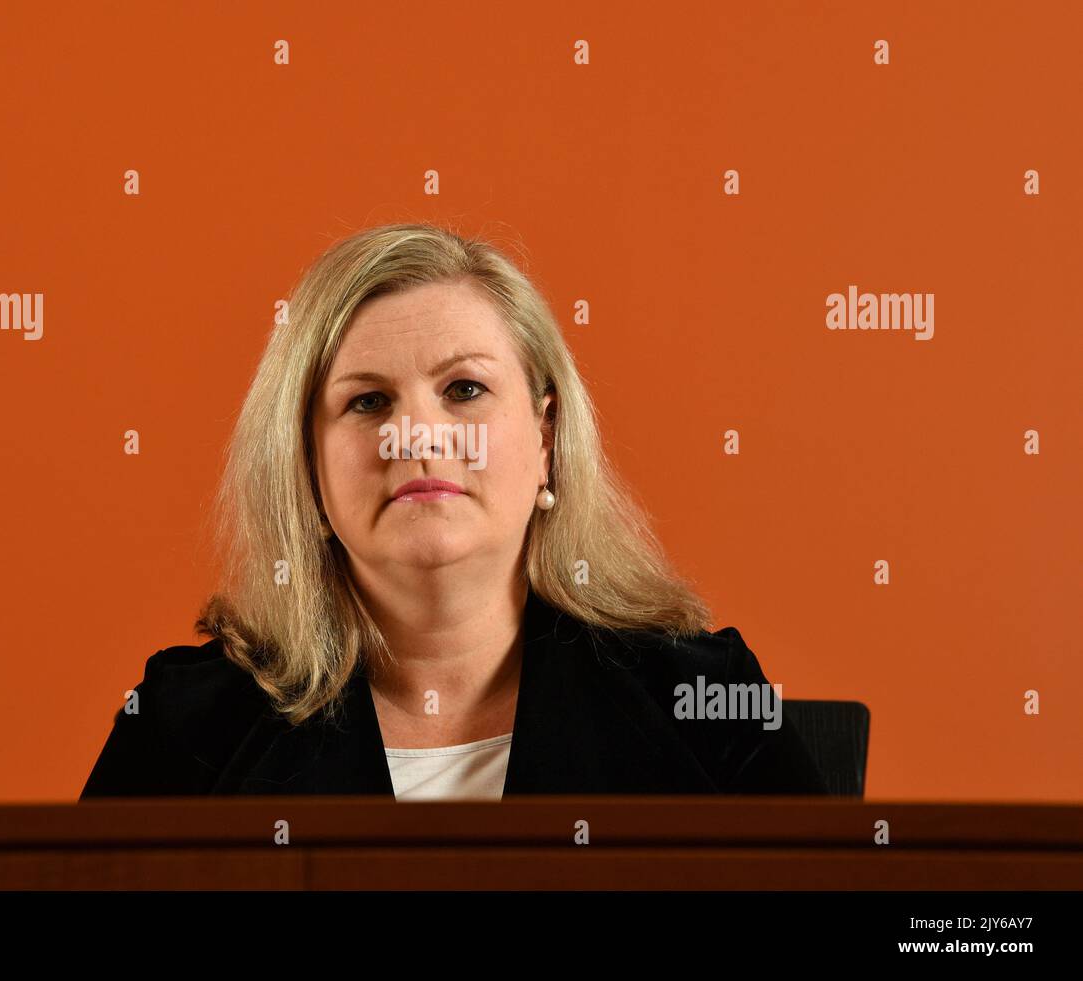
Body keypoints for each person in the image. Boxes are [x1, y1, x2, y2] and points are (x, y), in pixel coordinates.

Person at [81, 222, 829, 800]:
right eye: (368, 402)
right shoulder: (181, 728)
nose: (418, 436)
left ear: (545, 438)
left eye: (464, 390)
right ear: (306, 468)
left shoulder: (703, 702)